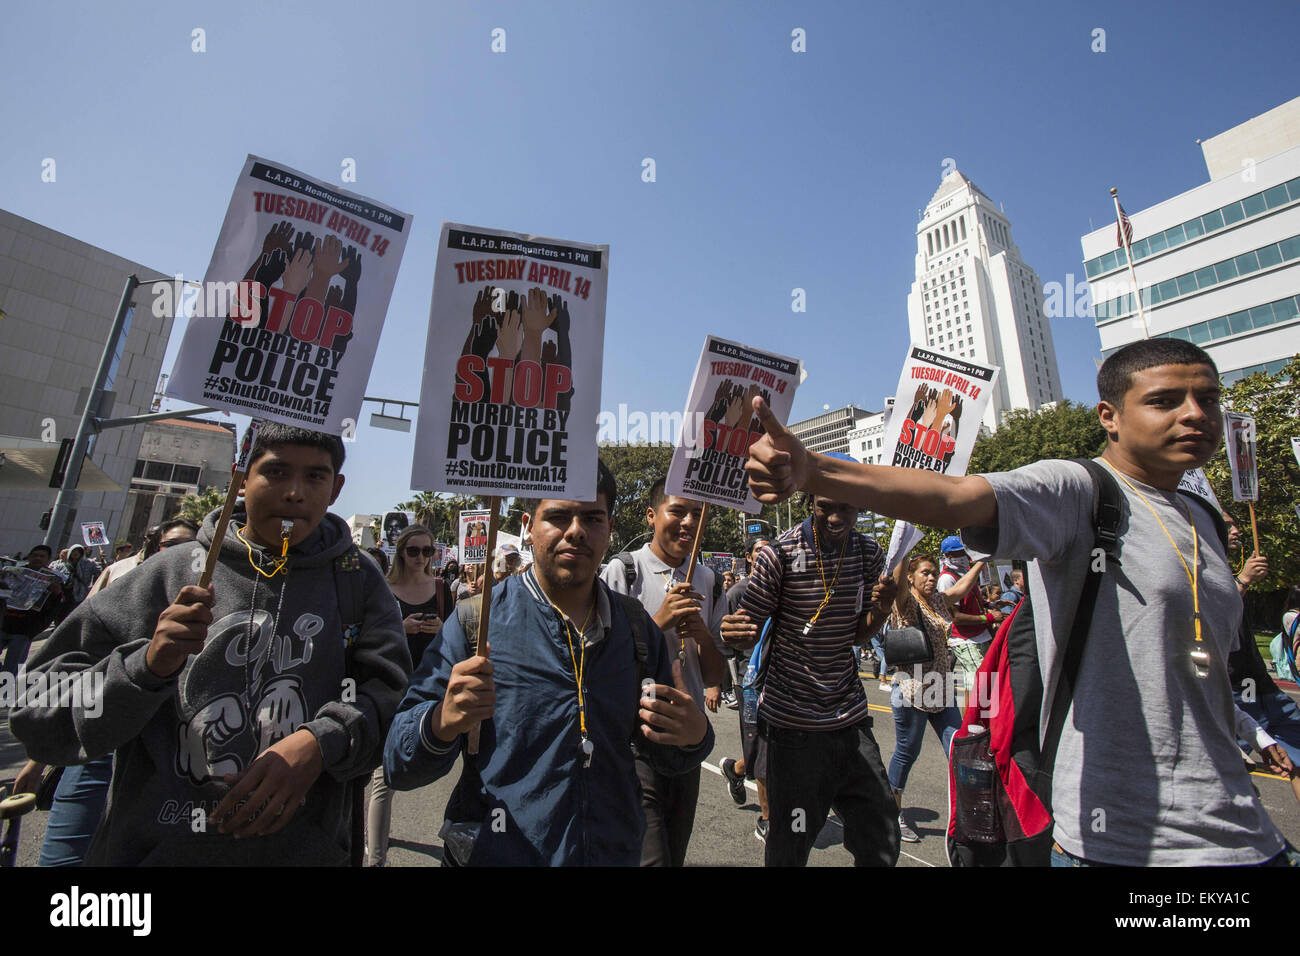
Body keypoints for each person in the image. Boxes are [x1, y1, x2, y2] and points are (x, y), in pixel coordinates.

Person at [742, 338, 1295, 866]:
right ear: (1109, 416)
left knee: (878, 838)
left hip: (1249, 832)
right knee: (794, 844)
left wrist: (1253, 730)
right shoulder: (1077, 491)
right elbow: (956, 497)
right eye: (1164, 401)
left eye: (1209, 398)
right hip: (1130, 841)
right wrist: (812, 468)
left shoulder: (1203, 520)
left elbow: (1191, 672)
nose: (1195, 414)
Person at [10, 423, 411, 865]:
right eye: (276, 473)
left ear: (336, 488)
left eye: (315, 477)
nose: (295, 492)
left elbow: (393, 703)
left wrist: (322, 743)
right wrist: (143, 669)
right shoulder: (167, 575)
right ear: (242, 479)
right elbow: (36, 712)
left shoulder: (357, 580)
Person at [384, 460, 713, 866]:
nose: (576, 530)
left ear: (610, 527)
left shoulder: (635, 628)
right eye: (558, 516)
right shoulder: (475, 624)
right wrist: (441, 721)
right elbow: (398, 762)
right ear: (528, 525)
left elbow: (667, 755)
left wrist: (695, 736)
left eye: (593, 517)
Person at [721, 487, 899, 867]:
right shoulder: (779, 554)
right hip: (794, 729)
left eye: (846, 508)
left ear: (859, 506)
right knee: (793, 840)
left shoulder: (868, 553)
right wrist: (733, 632)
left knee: (881, 835)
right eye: (825, 507)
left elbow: (856, 634)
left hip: (849, 721)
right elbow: (749, 624)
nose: (836, 517)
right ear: (809, 505)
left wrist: (881, 611)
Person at [13, 518, 200, 867]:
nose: (186, 554)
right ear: (153, 547)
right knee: (65, 853)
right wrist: (40, 759)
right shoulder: (122, 577)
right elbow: (71, 673)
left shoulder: (213, 583)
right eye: (172, 545)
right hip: (103, 740)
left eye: (192, 546)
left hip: (164, 750)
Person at [600, 478, 727, 866]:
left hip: (687, 741)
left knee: (674, 851)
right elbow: (604, 667)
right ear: (652, 516)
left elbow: (713, 675)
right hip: (634, 742)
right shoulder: (625, 572)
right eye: (677, 511)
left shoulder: (708, 579)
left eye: (697, 513)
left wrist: (703, 634)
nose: (688, 521)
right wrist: (658, 623)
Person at [365, 523, 455, 866]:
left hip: (429, 685)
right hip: (391, 684)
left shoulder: (441, 588)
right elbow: (369, 636)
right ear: (401, 552)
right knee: (382, 779)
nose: (421, 558)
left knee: (439, 767)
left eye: (427, 551)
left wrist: (440, 629)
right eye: (413, 551)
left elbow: (454, 636)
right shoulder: (383, 588)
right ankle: (376, 859)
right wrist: (400, 629)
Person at [884, 553, 968, 843]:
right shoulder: (905, 603)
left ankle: (969, 819)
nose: (931, 578)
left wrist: (983, 560)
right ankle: (893, 812)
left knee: (960, 750)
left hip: (942, 690)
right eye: (925, 573)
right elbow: (898, 580)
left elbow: (961, 589)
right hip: (912, 691)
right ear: (911, 577)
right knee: (908, 752)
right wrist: (905, 543)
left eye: (934, 573)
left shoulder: (939, 601)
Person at [1224, 517, 1300, 767]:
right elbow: (1211, 614)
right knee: (1230, 772)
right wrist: (1243, 580)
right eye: (1226, 525)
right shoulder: (1194, 571)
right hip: (1234, 687)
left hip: (1262, 684)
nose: (1236, 530)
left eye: (1235, 524)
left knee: (1295, 761)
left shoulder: (1225, 570)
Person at [720, 537, 772, 840]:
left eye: (770, 550)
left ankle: (737, 770)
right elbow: (723, 637)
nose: (765, 555)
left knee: (765, 748)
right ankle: (768, 818)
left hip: (780, 679)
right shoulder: (737, 592)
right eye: (758, 551)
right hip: (748, 682)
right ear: (748, 558)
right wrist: (724, 683)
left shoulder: (781, 588)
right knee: (760, 746)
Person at [936, 536, 1004, 683]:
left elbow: (968, 602)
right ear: (948, 555)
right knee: (979, 683)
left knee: (984, 681)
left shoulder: (965, 573)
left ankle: (980, 706)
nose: (965, 556)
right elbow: (956, 617)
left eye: (966, 551)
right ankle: (973, 707)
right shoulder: (947, 579)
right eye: (960, 552)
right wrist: (990, 618)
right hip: (965, 639)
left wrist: (988, 605)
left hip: (980, 635)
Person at [0, 545, 68, 676]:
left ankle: (4, 693)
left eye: (42, 556)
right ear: (29, 556)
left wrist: (57, 593)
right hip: (4, 622)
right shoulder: (15, 572)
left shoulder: (54, 579)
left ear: (48, 559)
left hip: (25, 629)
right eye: (35, 555)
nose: (38, 558)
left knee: (11, 668)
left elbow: (58, 604)